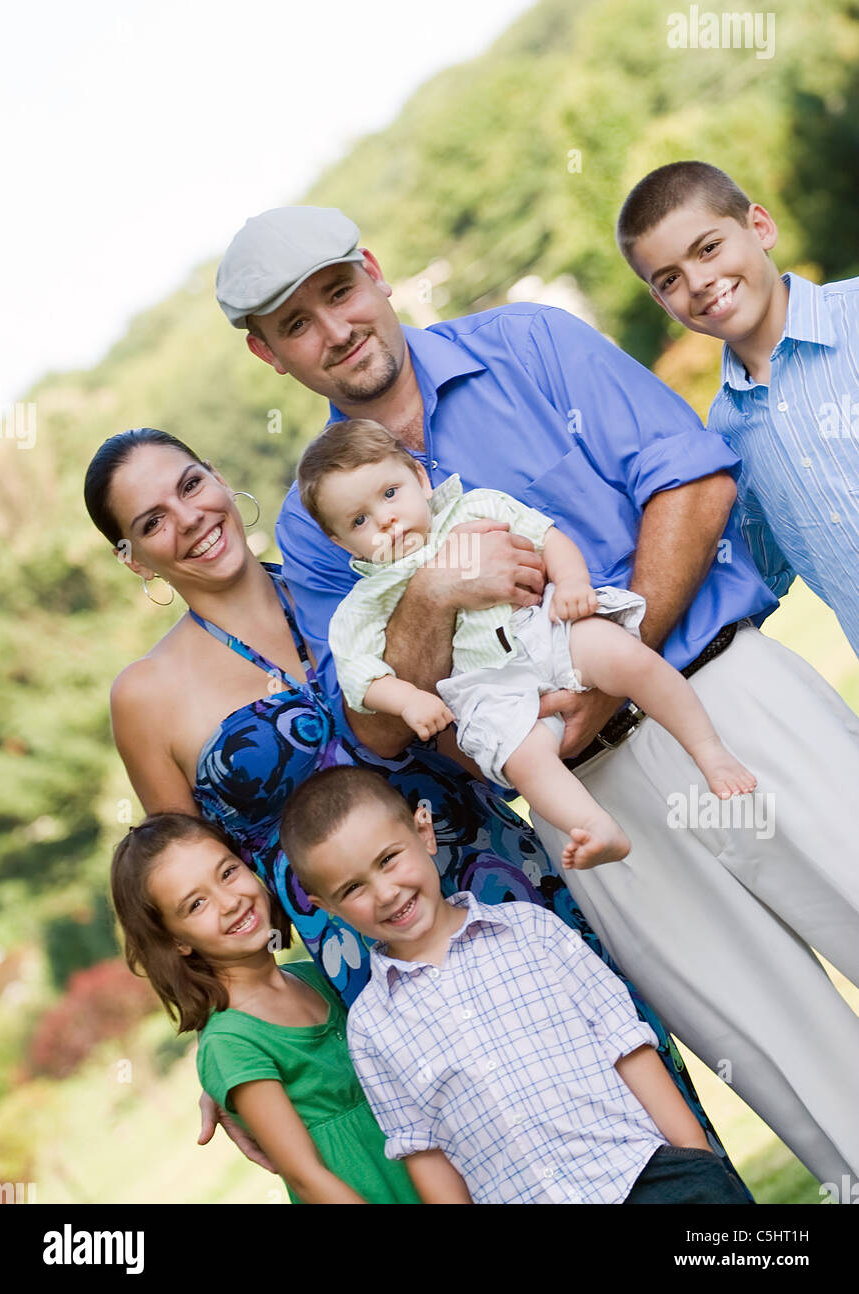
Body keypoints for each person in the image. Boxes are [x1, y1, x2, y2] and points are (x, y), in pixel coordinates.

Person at [215, 203, 859, 1186]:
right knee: (792, 1062)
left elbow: (692, 485)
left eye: (339, 293)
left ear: (374, 271)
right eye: (297, 324)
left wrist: (604, 662)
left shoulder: (528, 344)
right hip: (583, 802)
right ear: (268, 355)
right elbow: (379, 726)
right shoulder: (315, 521)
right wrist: (434, 592)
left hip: (719, 695)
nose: (335, 330)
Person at [83, 427, 729, 1173]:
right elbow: (184, 888)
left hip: (498, 879)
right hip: (367, 950)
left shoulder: (364, 572)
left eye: (191, 485)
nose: (188, 517)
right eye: (152, 521)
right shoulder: (146, 695)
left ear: (219, 477)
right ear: (134, 559)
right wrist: (233, 1052)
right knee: (502, 1153)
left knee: (630, 1083)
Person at [280, 766, 753, 1205]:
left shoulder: (531, 930)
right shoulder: (371, 1027)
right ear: (328, 907)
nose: (385, 893)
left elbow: (626, 1047)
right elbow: (425, 1152)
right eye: (353, 889)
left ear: (423, 832)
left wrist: (697, 1163)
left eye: (388, 860)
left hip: (641, 1178)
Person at [298, 418, 756, 870]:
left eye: (390, 493)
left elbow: (546, 537)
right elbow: (361, 677)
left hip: (544, 626)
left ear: (420, 477)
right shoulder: (364, 604)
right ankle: (594, 826)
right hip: (486, 686)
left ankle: (709, 751)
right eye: (360, 520)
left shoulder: (476, 508)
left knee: (624, 655)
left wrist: (572, 581)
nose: (385, 520)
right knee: (525, 759)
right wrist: (408, 699)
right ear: (342, 542)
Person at [109, 809, 420, 1204]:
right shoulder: (230, 1042)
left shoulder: (315, 976)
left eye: (227, 873)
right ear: (176, 942)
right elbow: (307, 1178)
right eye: (196, 904)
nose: (229, 901)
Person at [615, 158, 859, 659]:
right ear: (661, 302)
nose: (699, 281)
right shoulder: (726, 435)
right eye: (670, 279)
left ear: (760, 227)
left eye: (708, 249)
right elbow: (751, 575)